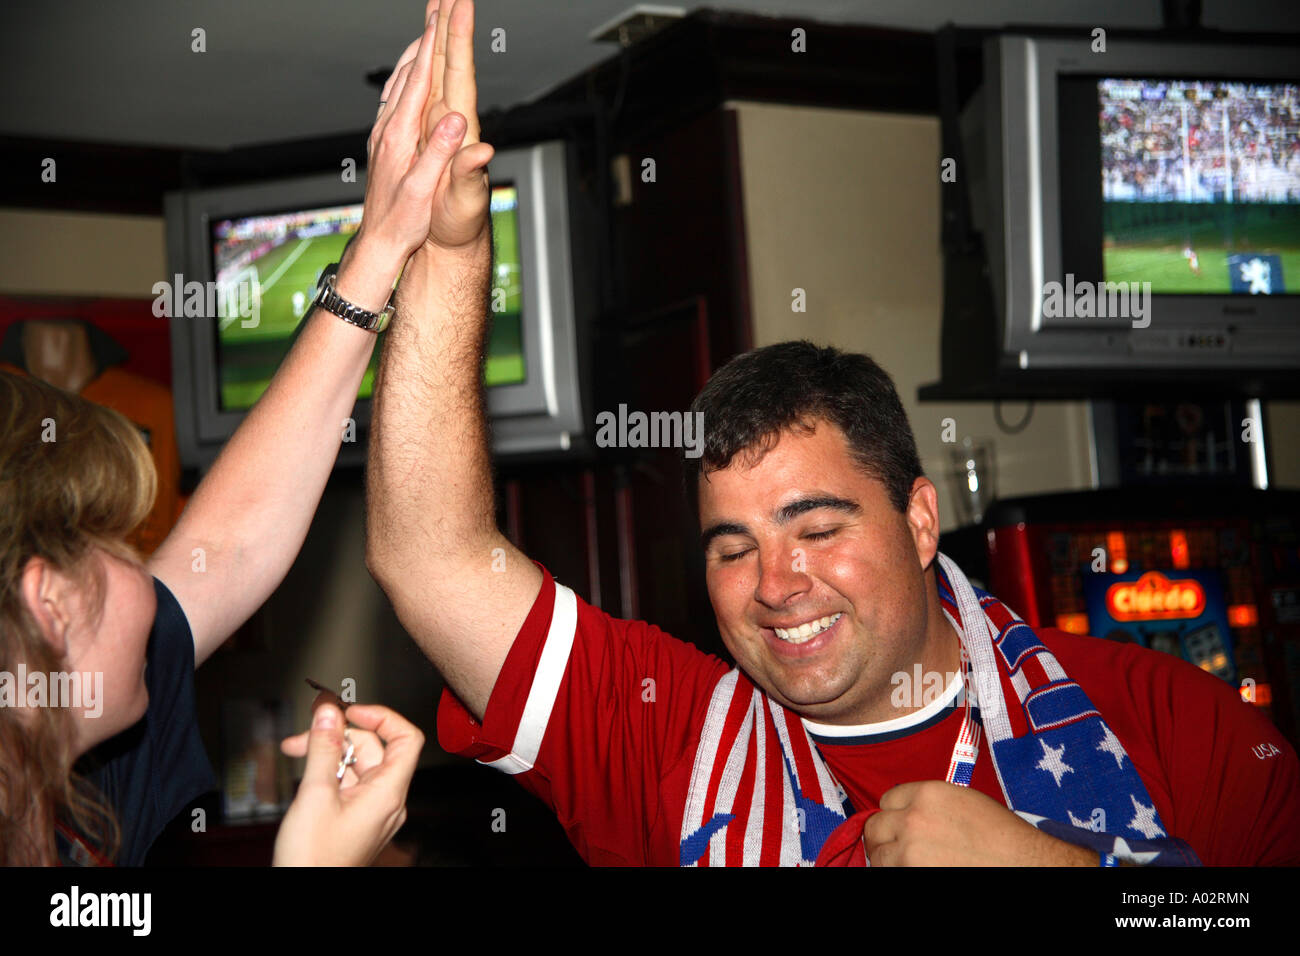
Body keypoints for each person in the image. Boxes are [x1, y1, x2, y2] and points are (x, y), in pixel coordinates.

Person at [364, 1, 1300, 867]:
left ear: (921, 521)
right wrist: (448, 255)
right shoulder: (668, 735)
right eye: (734, 549)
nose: (775, 586)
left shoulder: (1172, 719)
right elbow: (431, 557)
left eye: (817, 529)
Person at [0, 1, 460, 866]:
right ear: (47, 603)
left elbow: (230, 545)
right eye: (110, 542)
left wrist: (383, 240)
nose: (149, 561)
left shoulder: (83, 779)